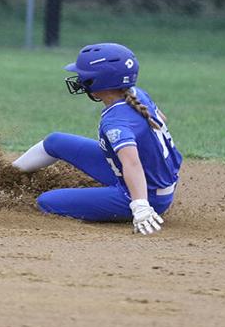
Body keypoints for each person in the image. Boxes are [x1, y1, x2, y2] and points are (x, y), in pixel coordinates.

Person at [11, 43, 181, 235]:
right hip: (153, 178)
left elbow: (132, 163)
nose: (80, 80)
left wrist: (140, 205)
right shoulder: (136, 94)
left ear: (99, 81)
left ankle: (132, 202)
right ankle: (8, 173)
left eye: (84, 76)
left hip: (145, 194)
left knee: (46, 201)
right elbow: (161, 119)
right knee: (55, 141)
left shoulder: (116, 122)